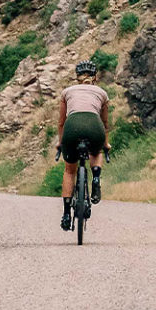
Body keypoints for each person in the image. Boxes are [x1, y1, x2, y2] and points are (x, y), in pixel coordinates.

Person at [57, 59, 110, 230]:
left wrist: (60, 143)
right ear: (95, 77)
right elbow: (105, 123)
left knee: (69, 170)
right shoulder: (102, 93)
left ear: (77, 77)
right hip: (95, 127)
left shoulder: (67, 92)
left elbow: (61, 123)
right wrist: (106, 144)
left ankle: (66, 214)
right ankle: (95, 178)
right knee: (96, 152)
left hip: (72, 128)